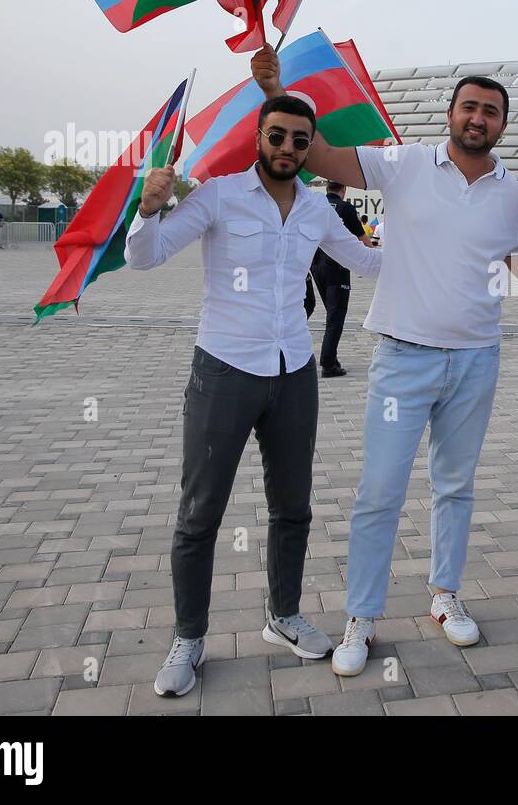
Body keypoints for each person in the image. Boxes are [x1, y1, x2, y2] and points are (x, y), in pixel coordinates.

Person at [251, 46, 518, 677]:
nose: (478, 118)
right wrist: (277, 91)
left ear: (502, 125)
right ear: (450, 113)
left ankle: (444, 595)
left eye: (491, 111)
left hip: (475, 360)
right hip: (402, 357)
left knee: (455, 486)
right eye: (470, 106)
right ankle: (361, 616)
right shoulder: (405, 164)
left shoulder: (510, 191)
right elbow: (319, 154)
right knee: (379, 492)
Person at [125, 95, 383, 698]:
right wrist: (148, 207)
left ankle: (283, 615)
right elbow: (146, 257)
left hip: (293, 371)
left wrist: (439, 242)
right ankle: (189, 639)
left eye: (300, 140)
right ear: (258, 137)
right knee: (200, 515)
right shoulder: (217, 195)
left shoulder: (318, 208)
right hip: (224, 369)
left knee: (293, 507)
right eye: (278, 136)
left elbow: (368, 264)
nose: (287, 148)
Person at [310, 180, 372, 378]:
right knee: (336, 316)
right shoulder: (345, 208)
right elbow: (363, 239)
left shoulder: (317, 205)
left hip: (315, 265)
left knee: (331, 313)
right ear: (343, 189)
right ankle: (328, 363)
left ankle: (331, 358)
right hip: (337, 266)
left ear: (327, 188)